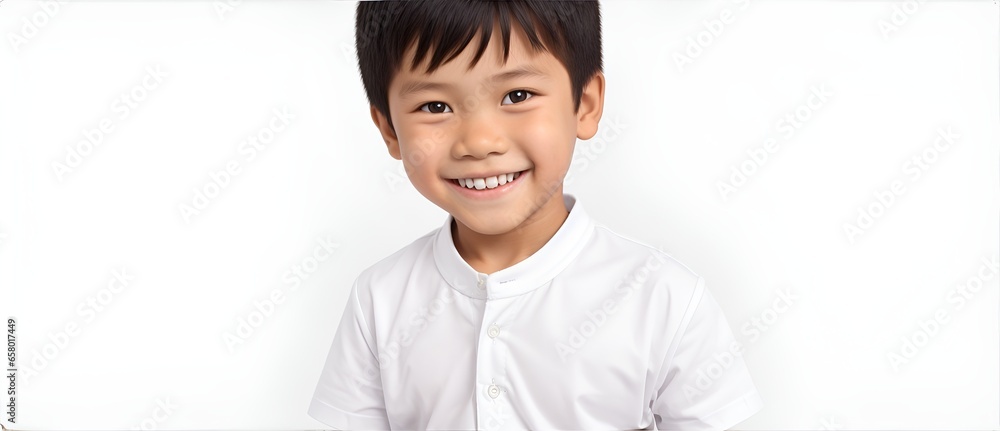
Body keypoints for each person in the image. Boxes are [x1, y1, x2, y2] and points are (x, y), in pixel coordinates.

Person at [308, 1, 763, 429]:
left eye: (517, 94)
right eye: (435, 106)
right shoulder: (379, 299)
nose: (480, 141)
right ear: (389, 128)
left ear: (584, 103)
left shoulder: (665, 298)